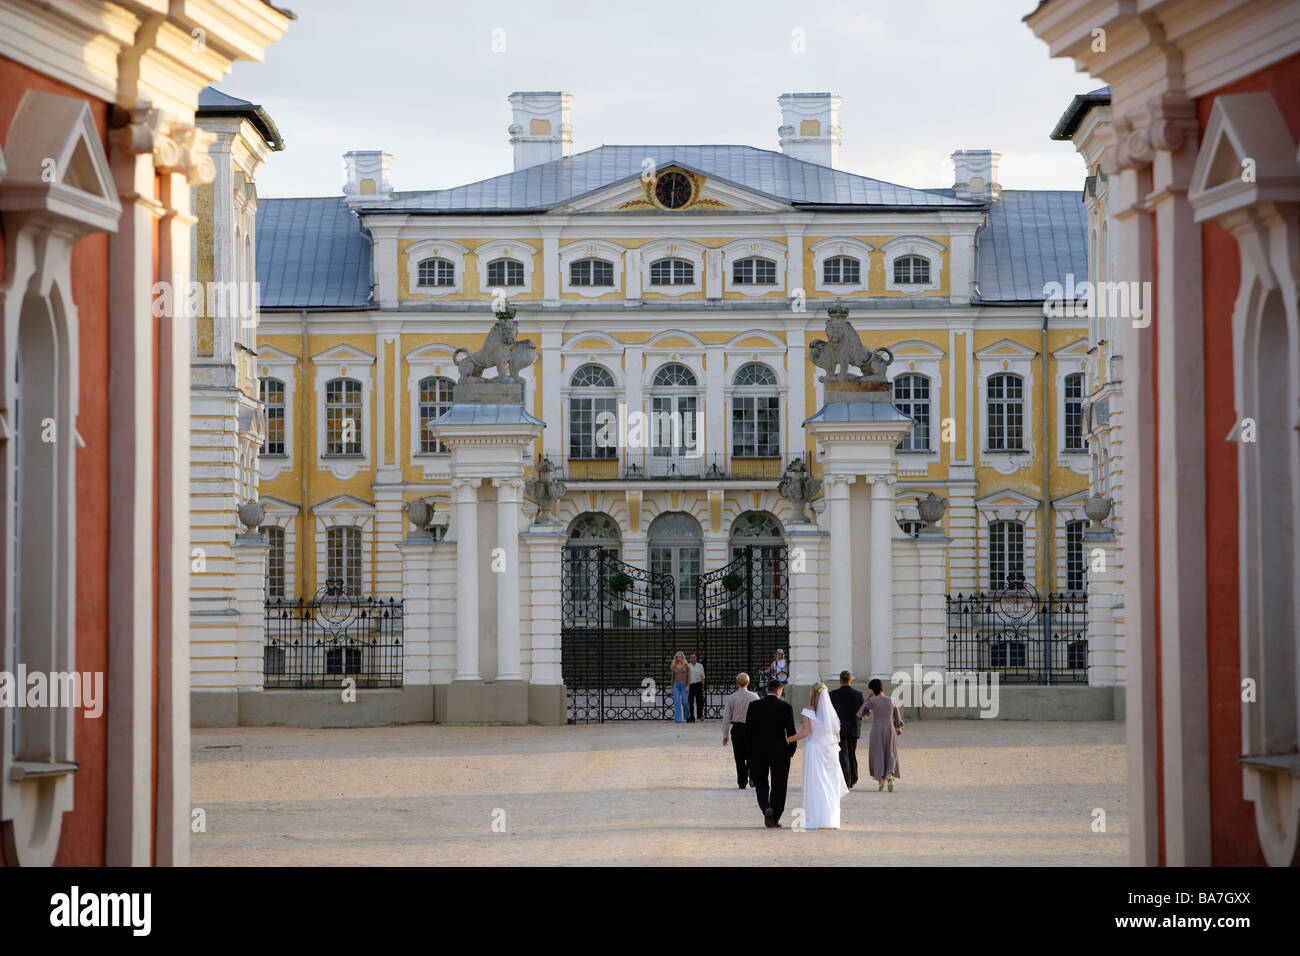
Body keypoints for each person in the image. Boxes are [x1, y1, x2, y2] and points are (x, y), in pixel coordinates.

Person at [745, 678, 797, 827]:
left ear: (767, 689)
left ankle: (765, 806)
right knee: (779, 785)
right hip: (780, 751)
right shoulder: (785, 707)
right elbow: (791, 732)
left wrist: (749, 753)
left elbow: (748, 731)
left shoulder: (754, 706)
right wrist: (790, 751)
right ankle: (774, 817)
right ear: (779, 691)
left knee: (761, 783)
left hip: (758, 750)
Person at [861, 678, 903, 791]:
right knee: (890, 751)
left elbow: (861, 712)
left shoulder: (873, 700)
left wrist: (868, 698)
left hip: (876, 729)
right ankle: (890, 774)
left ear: (872, 689)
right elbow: (897, 717)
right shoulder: (892, 700)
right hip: (890, 729)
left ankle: (881, 780)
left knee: (878, 753)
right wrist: (898, 727)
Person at [720, 672, 759, 789]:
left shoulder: (732, 697)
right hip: (751, 728)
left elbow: (726, 717)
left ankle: (742, 782)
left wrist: (725, 734)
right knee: (752, 754)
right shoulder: (755, 697)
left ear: (737, 683)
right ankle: (753, 776)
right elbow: (758, 715)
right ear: (748, 682)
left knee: (739, 757)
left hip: (737, 728)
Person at [828, 670, 865, 788]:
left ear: (840, 680)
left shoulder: (832, 694)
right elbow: (862, 711)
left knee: (843, 754)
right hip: (854, 728)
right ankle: (854, 778)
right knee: (852, 753)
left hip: (840, 728)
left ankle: (846, 779)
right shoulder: (858, 694)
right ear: (850, 680)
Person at [670, 651, 690, 723]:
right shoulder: (674, 666)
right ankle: (678, 719)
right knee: (677, 702)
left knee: (685, 702)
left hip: (684, 685)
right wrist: (672, 687)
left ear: (682, 657)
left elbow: (688, 677)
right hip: (676, 685)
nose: (679, 658)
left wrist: (688, 685)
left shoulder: (686, 666)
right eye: (677, 657)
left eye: (680, 657)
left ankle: (687, 716)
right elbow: (673, 677)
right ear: (676, 658)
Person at [687, 652, 705, 723]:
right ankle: (691, 718)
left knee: (700, 701)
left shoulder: (700, 666)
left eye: (694, 657)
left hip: (698, 685)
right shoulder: (687, 666)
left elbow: (703, 677)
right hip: (690, 685)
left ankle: (700, 715)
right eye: (691, 657)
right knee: (690, 702)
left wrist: (701, 685)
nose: (693, 658)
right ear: (689, 658)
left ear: (696, 658)